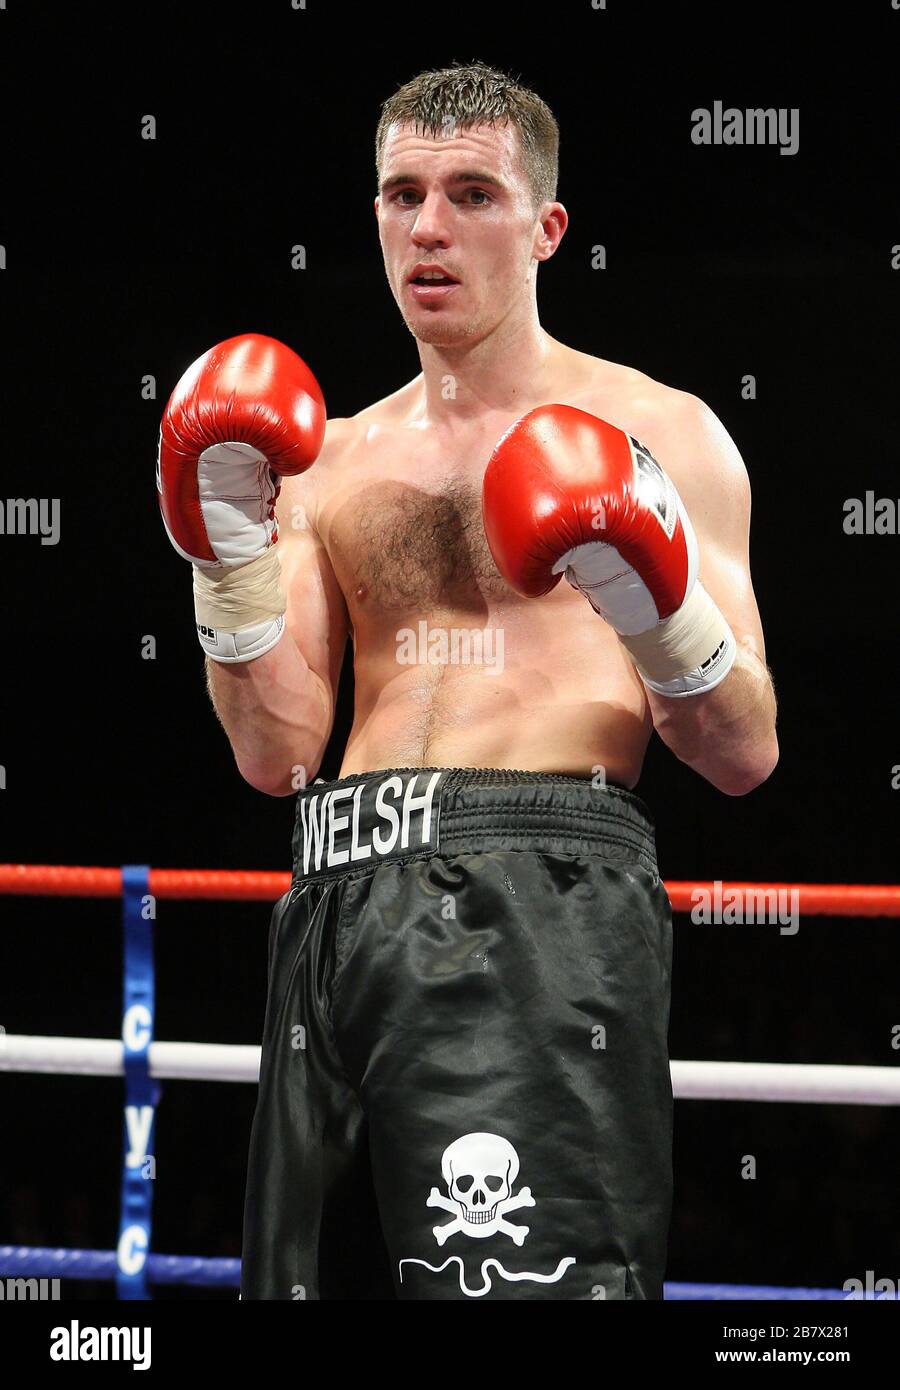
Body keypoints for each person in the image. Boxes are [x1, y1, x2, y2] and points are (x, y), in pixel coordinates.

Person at [157, 61, 778, 1300]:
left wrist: (655, 597)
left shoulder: (662, 430)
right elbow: (276, 752)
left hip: (537, 899)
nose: (428, 227)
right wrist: (224, 556)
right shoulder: (322, 459)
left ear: (547, 227)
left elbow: (742, 748)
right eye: (401, 195)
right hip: (335, 896)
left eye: (472, 194)